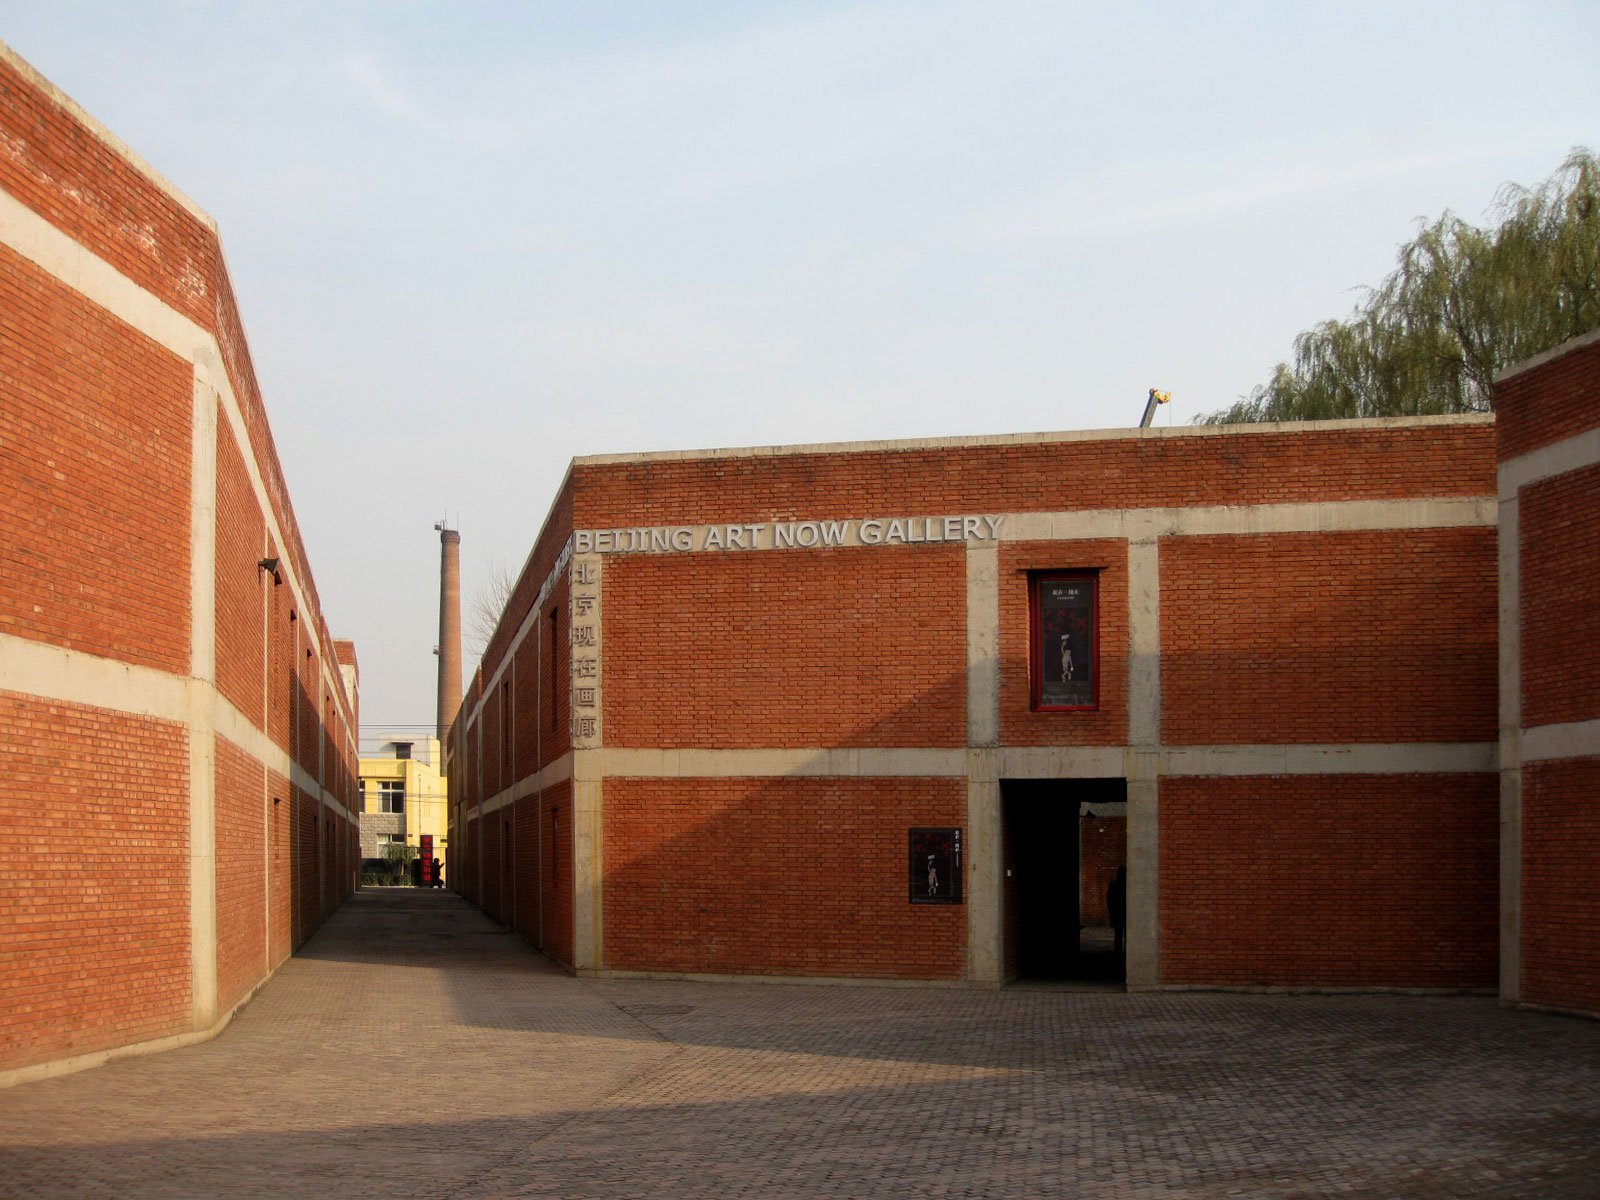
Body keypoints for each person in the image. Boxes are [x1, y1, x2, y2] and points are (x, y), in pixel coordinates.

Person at [1106, 865, 1127, 955]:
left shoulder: (1113, 885)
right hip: (1127, 914)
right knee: (1127, 935)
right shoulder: (1130, 885)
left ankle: (1117, 953)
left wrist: (1112, 913)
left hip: (1118, 914)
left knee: (1118, 935)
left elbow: (1109, 901)